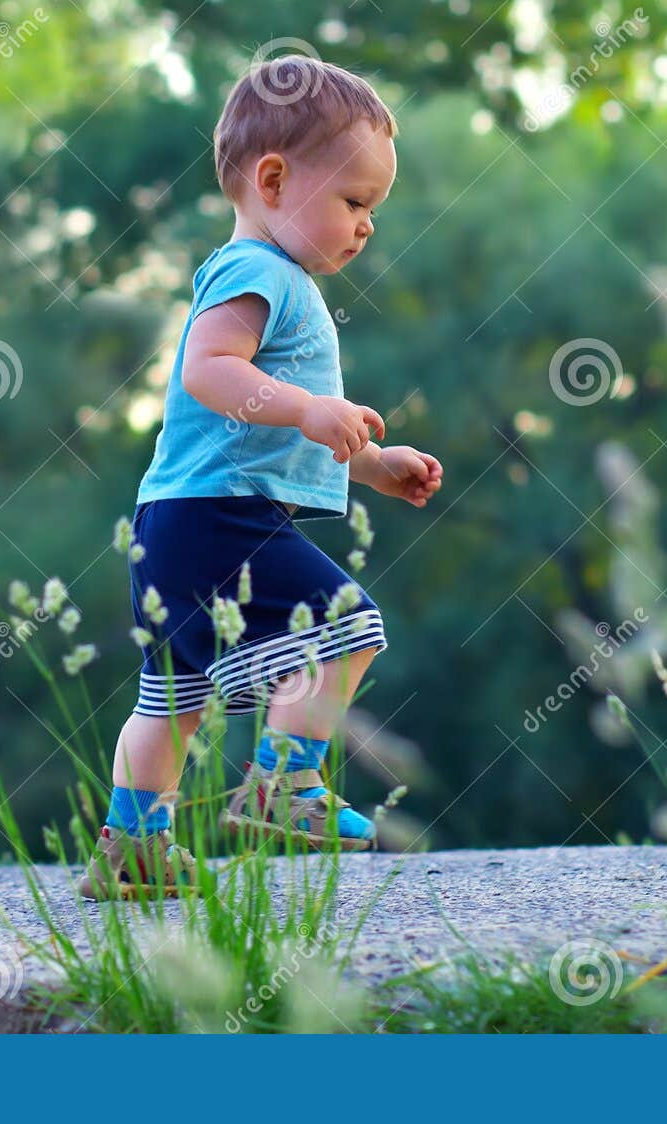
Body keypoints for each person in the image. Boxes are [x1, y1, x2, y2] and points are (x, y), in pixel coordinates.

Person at [78, 55, 442, 901]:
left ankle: (133, 844)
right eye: (354, 202)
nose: (366, 226)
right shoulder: (255, 273)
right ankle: (285, 787)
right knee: (348, 625)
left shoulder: (279, 280)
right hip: (217, 519)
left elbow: (294, 411)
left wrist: (372, 463)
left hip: (179, 523)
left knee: (171, 699)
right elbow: (209, 371)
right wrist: (310, 413)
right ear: (272, 180)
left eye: (373, 210)